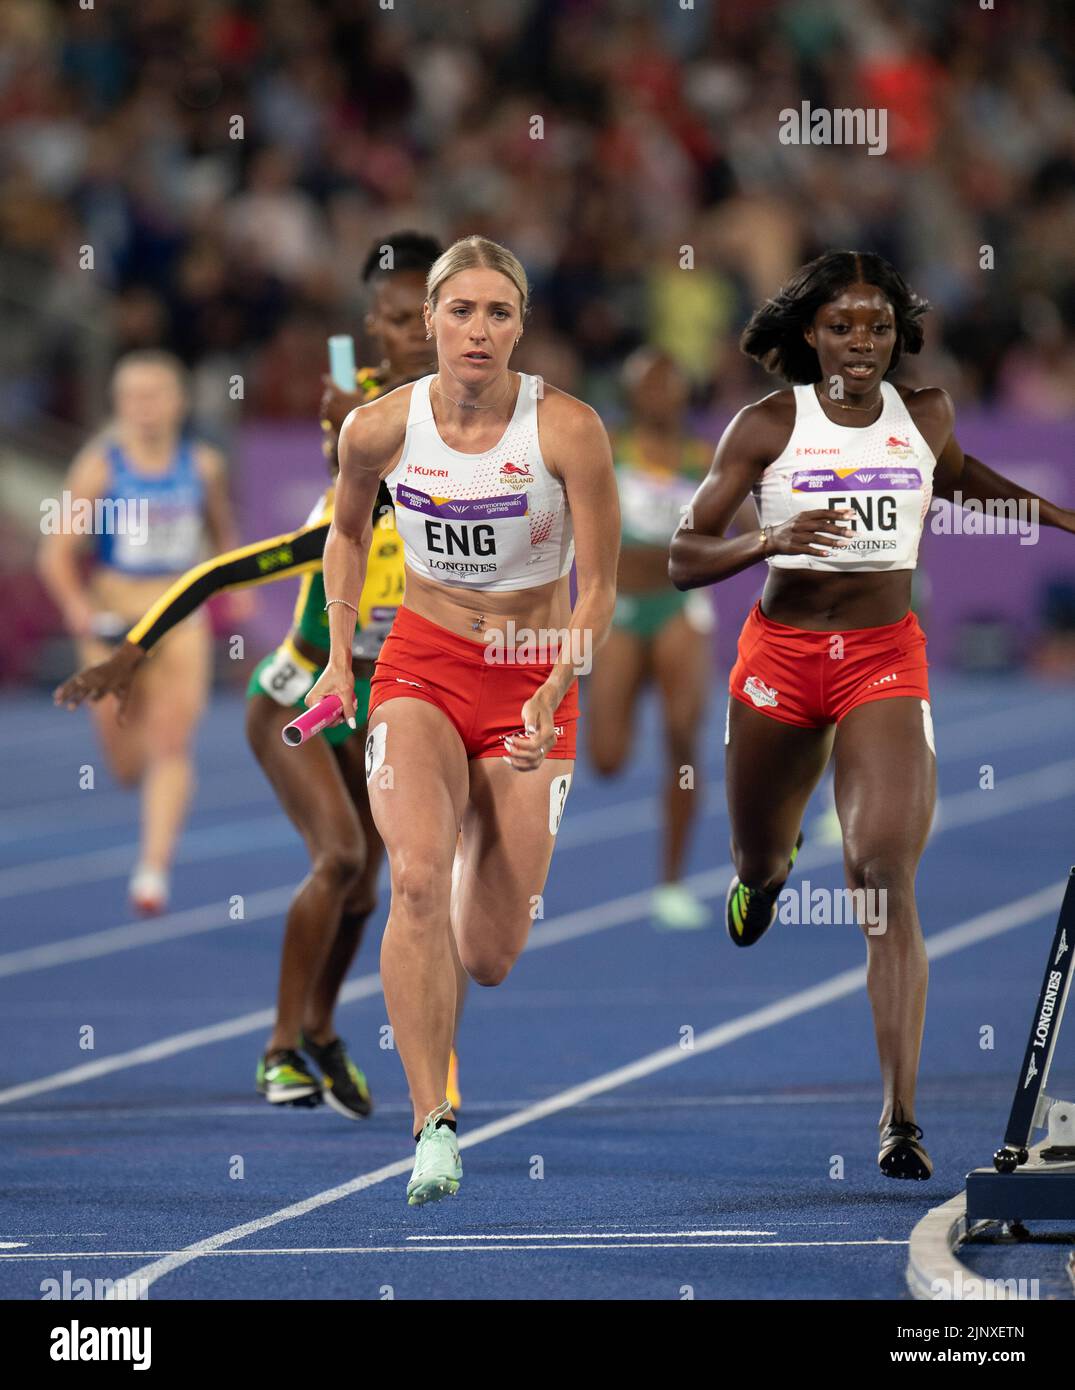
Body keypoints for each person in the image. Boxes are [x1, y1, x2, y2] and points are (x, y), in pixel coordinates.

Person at [668, 250, 1075, 1179]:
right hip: (779, 663)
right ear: (809, 334)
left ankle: (899, 1116)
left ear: (899, 336)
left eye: (879, 328)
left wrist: (1057, 516)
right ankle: (762, 883)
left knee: (882, 872)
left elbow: (962, 477)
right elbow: (686, 555)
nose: (861, 344)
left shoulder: (921, 412)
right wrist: (767, 537)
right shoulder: (766, 425)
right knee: (760, 856)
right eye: (843, 327)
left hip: (884, 661)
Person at [54, 232, 465, 1119]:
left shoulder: (464, 433)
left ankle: (318, 1030)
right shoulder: (357, 439)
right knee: (345, 857)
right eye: (390, 318)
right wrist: (136, 645)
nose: (404, 334)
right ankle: (279, 1048)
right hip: (298, 696)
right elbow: (227, 568)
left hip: (381, 697)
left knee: (369, 885)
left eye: (415, 318)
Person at [306, 234, 619, 1205]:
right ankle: (431, 1121)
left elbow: (599, 582)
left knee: (488, 953)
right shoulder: (379, 427)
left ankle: (452, 872)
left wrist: (559, 680)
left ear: (521, 324)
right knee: (411, 884)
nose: (477, 330)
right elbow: (347, 530)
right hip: (423, 667)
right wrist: (335, 649)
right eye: (459, 310)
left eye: (498, 312)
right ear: (431, 318)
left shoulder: (568, 429)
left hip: (531, 669)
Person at [39, 350, 246, 915]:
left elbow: (222, 535)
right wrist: (77, 606)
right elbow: (56, 550)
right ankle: (134, 779)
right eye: (133, 396)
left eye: (156, 394)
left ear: (179, 402)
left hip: (179, 616)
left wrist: (240, 586)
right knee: (127, 761)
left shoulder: (202, 465)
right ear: (117, 404)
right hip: (113, 621)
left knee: (172, 742)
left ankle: (153, 870)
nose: (145, 407)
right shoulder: (100, 467)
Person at [588, 348, 749, 930]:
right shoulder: (607, 448)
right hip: (621, 611)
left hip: (679, 606)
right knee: (607, 760)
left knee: (683, 735)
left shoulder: (703, 458)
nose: (660, 394)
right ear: (631, 394)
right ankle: (628, 688)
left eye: (670, 383)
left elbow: (752, 528)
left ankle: (673, 882)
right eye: (648, 384)